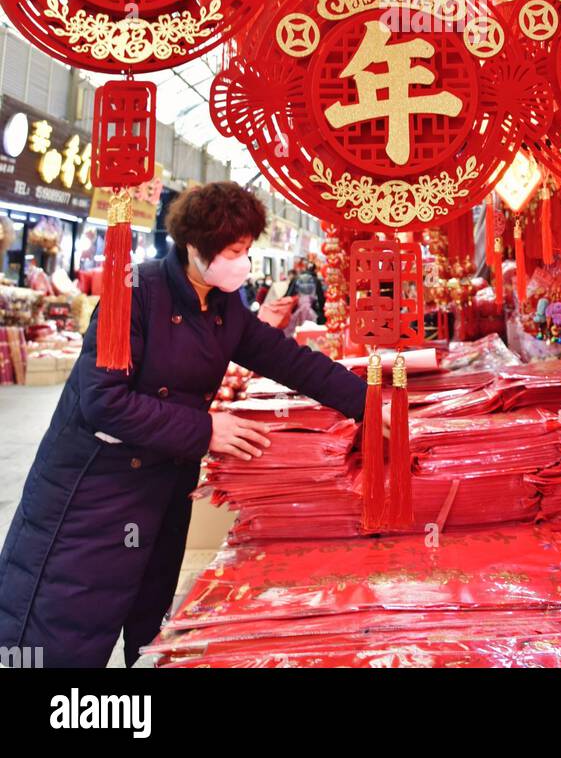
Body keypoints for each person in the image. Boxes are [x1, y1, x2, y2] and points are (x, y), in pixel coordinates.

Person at [0, 182, 377, 669]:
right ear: (196, 247)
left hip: (162, 487)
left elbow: (292, 361)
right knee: (61, 628)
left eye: (247, 250)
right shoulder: (134, 291)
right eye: (233, 251)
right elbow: (103, 402)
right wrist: (205, 430)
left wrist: (371, 405)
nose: (242, 262)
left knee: (147, 616)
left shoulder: (223, 310)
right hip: (92, 490)